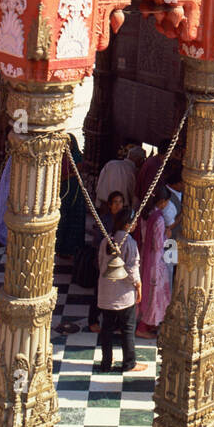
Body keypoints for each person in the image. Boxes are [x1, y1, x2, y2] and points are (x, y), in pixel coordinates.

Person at [96, 205, 147, 375]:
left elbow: (101, 263)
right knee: (127, 329)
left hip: (106, 293)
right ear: (126, 224)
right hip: (124, 295)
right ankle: (129, 363)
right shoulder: (129, 243)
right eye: (133, 222)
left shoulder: (106, 240)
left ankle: (106, 362)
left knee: (107, 329)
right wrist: (138, 287)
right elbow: (132, 269)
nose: (135, 225)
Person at [87, 190, 125, 332]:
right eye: (115, 202)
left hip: (118, 262)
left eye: (120, 202)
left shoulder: (123, 220)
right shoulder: (105, 220)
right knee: (99, 292)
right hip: (103, 262)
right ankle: (93, 320)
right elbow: (97, 242)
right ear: (109, 205)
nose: (117, 205)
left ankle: (115, 322)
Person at [136, 191, 173, 337]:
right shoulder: (159, 220)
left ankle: (150, 323)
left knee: (149, 292)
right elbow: (159, 244)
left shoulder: (148, 214)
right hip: (156, 260)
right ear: (163, 201)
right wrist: (167, 236)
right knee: (154, 294)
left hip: (146, 257)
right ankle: (143, 327)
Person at [55, 135, 87, 259]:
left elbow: (76, 171)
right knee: (62, 220)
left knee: (74, 220)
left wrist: (65, 177)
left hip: (75, 192)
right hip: (64, 192)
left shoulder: (77, 156)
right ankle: (60, 248)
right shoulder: (60, 156)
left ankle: (72, 249)